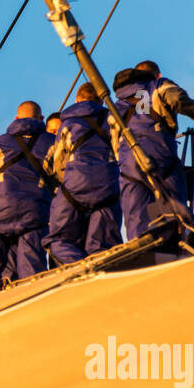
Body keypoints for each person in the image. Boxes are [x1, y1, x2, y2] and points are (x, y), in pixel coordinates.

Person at [110, 60, 194, 239]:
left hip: (128, 160)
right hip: (158, 150)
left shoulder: (118, 103)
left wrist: (123, 159)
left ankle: (141, 249)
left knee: (137, 211)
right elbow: (178, 100)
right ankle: (181, 237)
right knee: (173, 202)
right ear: (157, 74)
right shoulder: (158, 86)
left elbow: (113, 138)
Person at [0, 101, 55, 292]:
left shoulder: (0, 143)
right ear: (41, 119)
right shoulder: (50, 143)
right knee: (31, 267)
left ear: (16, 118)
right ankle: (31, 306)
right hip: (33, 218)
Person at [44, 82, 122, 264]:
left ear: (77, 99)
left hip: (75, 185)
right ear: (101, 101)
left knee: (59, 240)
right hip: (107, 185)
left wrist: (70, 179)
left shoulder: (67, 124)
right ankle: (99, 267)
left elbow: (57, 164)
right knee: (103, 245)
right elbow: (120, 151)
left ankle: (80, 265)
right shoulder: (111, 118)